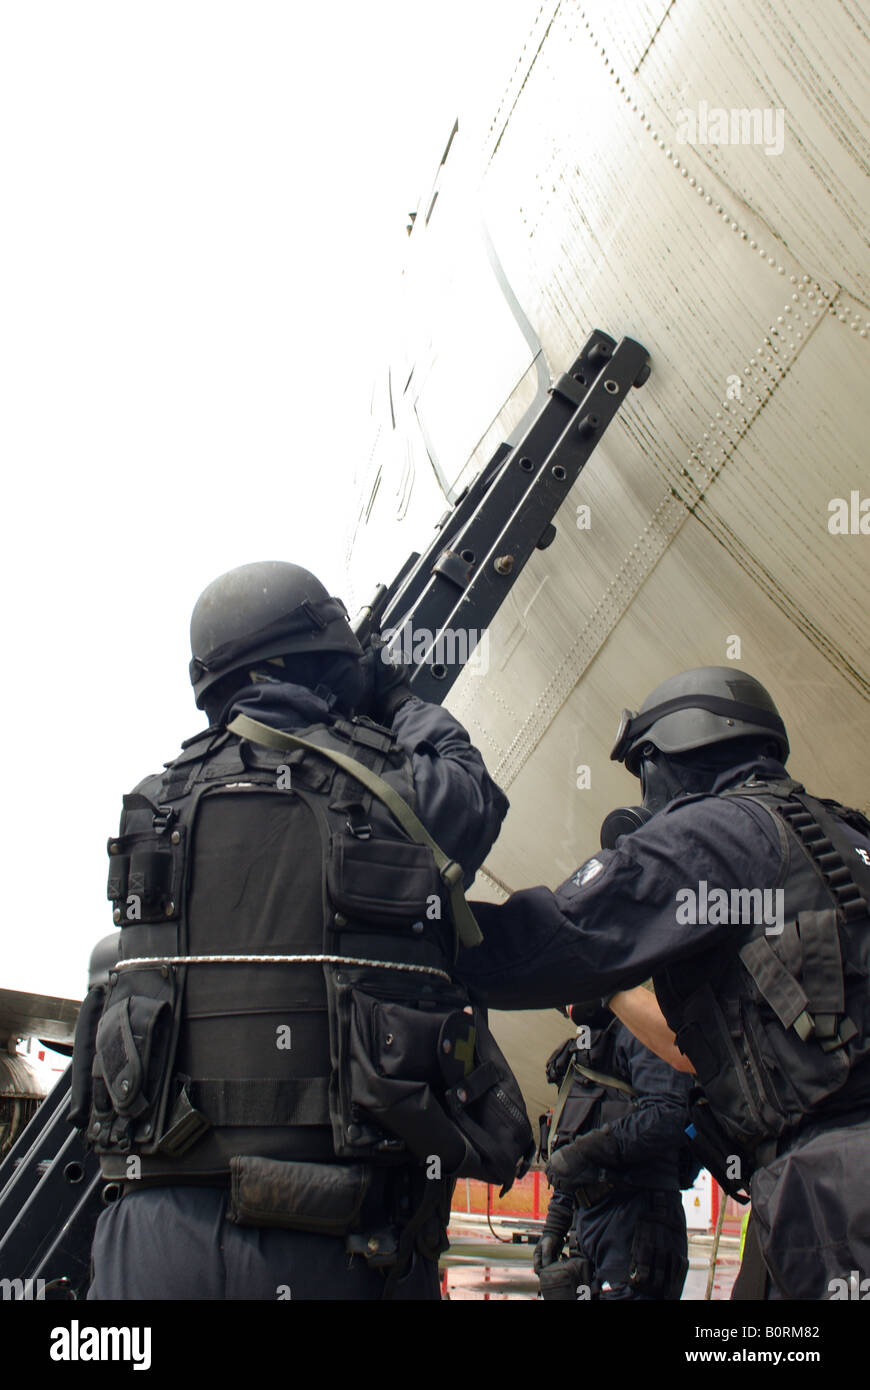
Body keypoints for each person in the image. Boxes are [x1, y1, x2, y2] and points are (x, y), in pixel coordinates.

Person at [71, 560, 529, 1300]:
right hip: (336, 1234)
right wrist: (398, 697)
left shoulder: (154, 806)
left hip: (148, 1240)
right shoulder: (389, 786)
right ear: (324, 660)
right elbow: (473, 796)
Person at [455, 668, 870, 1299]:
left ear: (667, 754)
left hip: (834, 1185)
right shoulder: (843, 834)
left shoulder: (718, 830)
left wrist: (413, 938)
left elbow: (557, 940)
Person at [534, 1001, 692, 1301]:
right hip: (591, 1225)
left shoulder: (641, 1031)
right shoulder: (586, 1050)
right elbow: (571, 1148)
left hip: (635, 1221)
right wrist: (555, 1226)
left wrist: (586, 1151)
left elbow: (668, 1113)